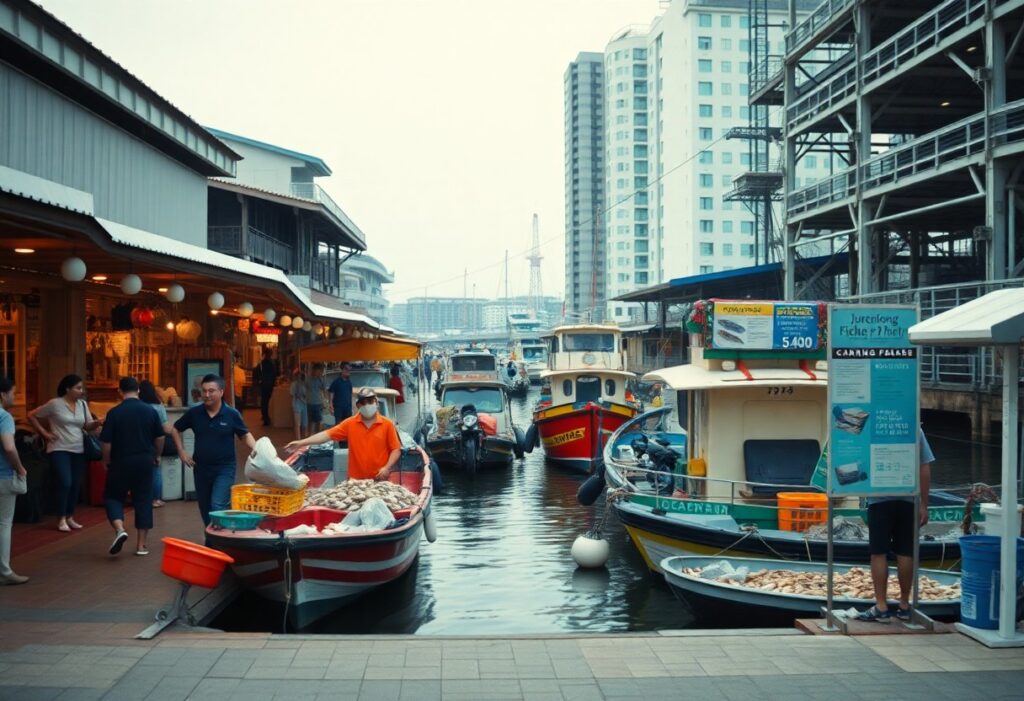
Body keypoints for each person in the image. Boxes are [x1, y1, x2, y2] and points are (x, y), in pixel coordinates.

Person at [857, 428, 933, 622]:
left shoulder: (873, 426)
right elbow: (924, 466)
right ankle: (905, 605)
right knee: (905, 552)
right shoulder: (914, 427)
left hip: (878, 499)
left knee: (878, 552)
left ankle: (881, 607)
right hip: (908, 498)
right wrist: (924, 503)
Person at [171, 374, 256, 527]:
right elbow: (175, 429)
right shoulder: (195, 413)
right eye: (204, 391)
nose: (207, 395)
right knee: (205, 510)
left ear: (221, 392)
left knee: (217, 506)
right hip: (201, 469)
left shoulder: (231, 414)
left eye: (211, 391)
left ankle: (220, 542)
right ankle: (212, 543)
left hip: (225, 468)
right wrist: (181, 452)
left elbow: (245, 435)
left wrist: (257, 450)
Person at [27, 374, 102, 532]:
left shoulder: (82, 404)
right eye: (78, 388)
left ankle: (70, 516)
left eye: (82, 388)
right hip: (59, 448)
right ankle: (60, 518)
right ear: (67, 389)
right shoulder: (55, 404)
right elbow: (32, 415)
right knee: (65, 482)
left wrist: (97, 422)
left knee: (75, 484)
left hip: (78, 448)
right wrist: (44, 433)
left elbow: (87, 426)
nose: (81, 391)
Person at [100, 377, 165, 556]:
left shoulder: (114, 413)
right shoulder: (150, 411)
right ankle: (141, 546)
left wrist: (105, 460)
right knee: (143, 499)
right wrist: (156, 455)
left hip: (120, 461)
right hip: (145, 461)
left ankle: (120, 529)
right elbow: (160, 437)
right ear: (138, 391)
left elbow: (106, 442)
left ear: (120, 392)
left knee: (113, 496)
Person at [284, 388, 401, 481]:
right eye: (363, 403)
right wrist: (301, 442)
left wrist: (387, 467)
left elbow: (396, 450)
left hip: (379, 480)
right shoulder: (350, 424)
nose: (367, 405)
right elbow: (326, 435)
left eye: (370, 401)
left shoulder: (387, 424)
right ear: (358, 406)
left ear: (376, 401)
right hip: (355, 482)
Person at [0, 377, 29, 584]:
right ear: (3, 394)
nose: (13, 396)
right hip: (3, 475)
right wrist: (20, 468)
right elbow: (9, 447)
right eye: (12, 392)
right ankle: (4, 571)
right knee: (3, 524)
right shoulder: (4, 417)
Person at [139, 380, 172, 508]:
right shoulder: (158, 406)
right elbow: (164, 426)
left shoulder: (139, 406)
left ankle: (142, 498)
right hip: (154, 441)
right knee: (156, 470)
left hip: (140, 441)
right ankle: (156, 499)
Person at [257, 348, 278, 427]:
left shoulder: (262, 363)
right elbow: (274, 374)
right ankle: (266, 418)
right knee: (267, 402)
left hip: (263, 384)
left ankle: (265, 418)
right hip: (269, 385)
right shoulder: (272, 363)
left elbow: (258, 372)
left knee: (264, 402)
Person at [306, 364, 327, 434]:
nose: (320, 372)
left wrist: (325, 401)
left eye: (321, 371)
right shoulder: (308, 379)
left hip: (318, 403)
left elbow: (324, 390)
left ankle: (317, 435)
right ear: (314, 370)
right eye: (319, 371)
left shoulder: (321, 380)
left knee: (318, 421)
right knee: (311, 421)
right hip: (309, 402)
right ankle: (310, 435)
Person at [290, 368, 308, 440]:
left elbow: (307, 394)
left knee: (305, 423)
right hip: (297, 404)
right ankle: (298, 439)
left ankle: (304, 438)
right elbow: (291, 394)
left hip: (304, 404)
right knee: (297, 423)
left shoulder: (304, 384)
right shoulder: (294, 384)